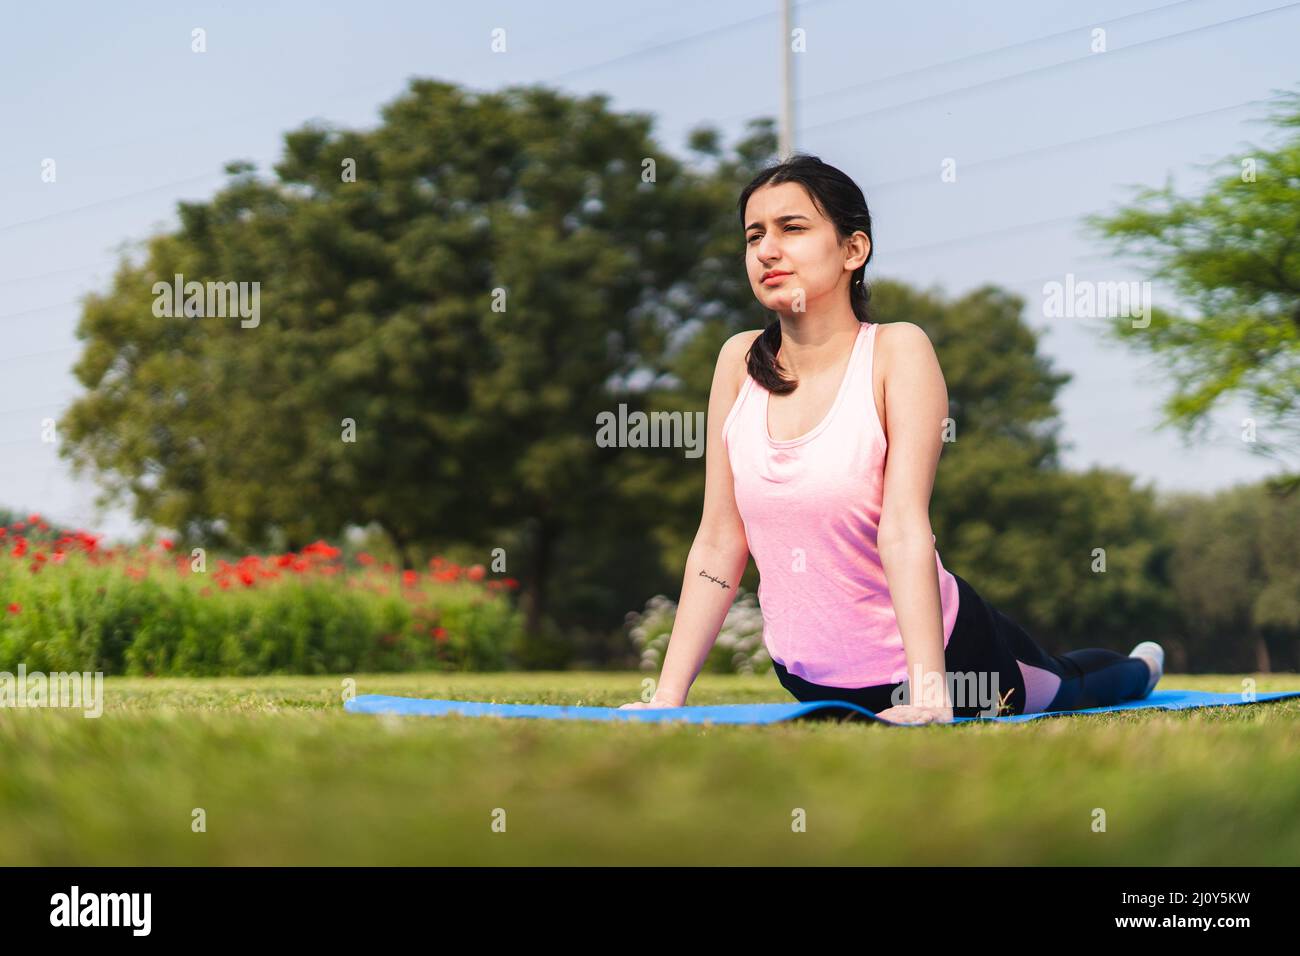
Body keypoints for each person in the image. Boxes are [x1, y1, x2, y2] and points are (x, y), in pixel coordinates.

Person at [621, 153, 1164, 724]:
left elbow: (904, 527)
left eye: (793, 229)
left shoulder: (896, 351)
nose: (766, 249)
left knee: (1062, 686)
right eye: (754, 235)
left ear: (854, 250)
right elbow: (717, 541)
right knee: (1052, 675)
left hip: (950, 658)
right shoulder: (738, 361)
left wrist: (930, 694)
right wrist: (667, 698)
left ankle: (1140, 669)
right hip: (805, 674)